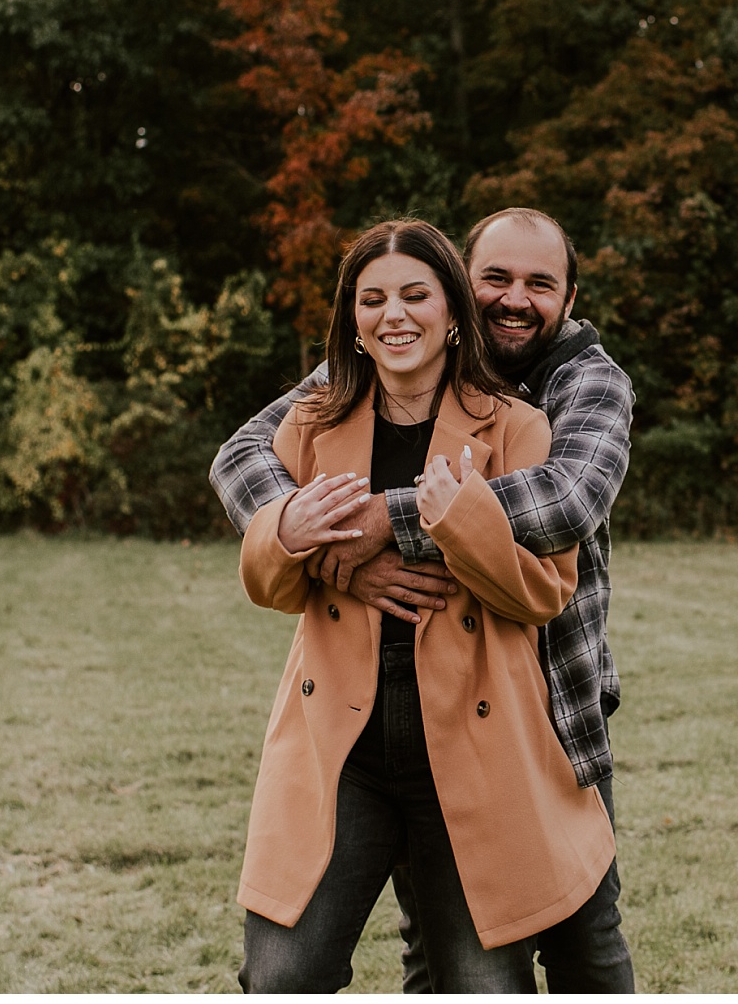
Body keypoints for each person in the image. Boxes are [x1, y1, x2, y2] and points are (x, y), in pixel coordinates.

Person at [213, 207, 635, 992]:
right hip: (360, 724)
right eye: (496, 279)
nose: (515, 298)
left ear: (570, 298)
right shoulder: (349, 381)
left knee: (582, 931)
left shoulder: (580, 386)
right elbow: (241, 456)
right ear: (466, 291)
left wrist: (389, 517)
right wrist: (325, 546)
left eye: (539, 283)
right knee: (383, 957)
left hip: (548, 701)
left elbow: (565, 504)